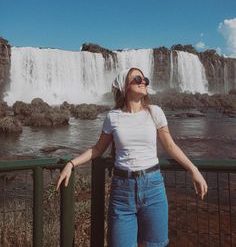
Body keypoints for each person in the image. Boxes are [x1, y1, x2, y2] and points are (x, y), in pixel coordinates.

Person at [56, 67, 208, 247]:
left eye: (145, 79)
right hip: (122, 190)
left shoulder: (155, 112)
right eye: (137, 79)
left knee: (156, 245)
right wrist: (71, 164)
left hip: (153, 188)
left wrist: (194, 169)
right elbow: (98, 149)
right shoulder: (113, 117)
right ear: (125, 86)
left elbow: (170, 146)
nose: (143, 82)